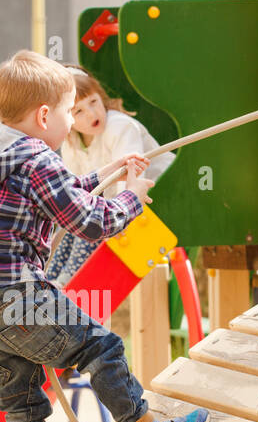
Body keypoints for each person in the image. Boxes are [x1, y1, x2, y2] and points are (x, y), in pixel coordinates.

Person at [0, 50, 207, 422]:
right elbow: (89, 222)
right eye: (69, 113)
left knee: (22, 401)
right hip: (15, 293)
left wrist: (109, 173)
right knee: (100, 346)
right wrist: (130, 196)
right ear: (44, 116)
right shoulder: (37, 157)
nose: (71, 125)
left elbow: (62, 192)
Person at [47, 65, 176, 287]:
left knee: (90, 225)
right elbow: (76, 192)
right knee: (73, 223)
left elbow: (132, 176)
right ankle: (50, 277)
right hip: (118, 205)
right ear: (68, 119)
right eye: (78, 111)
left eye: (94, 102)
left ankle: (68, 280)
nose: (91, 114)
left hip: (162, 196)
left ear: (101, 97)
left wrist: (119, 219)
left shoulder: (119, 127)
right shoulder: (72, 143)